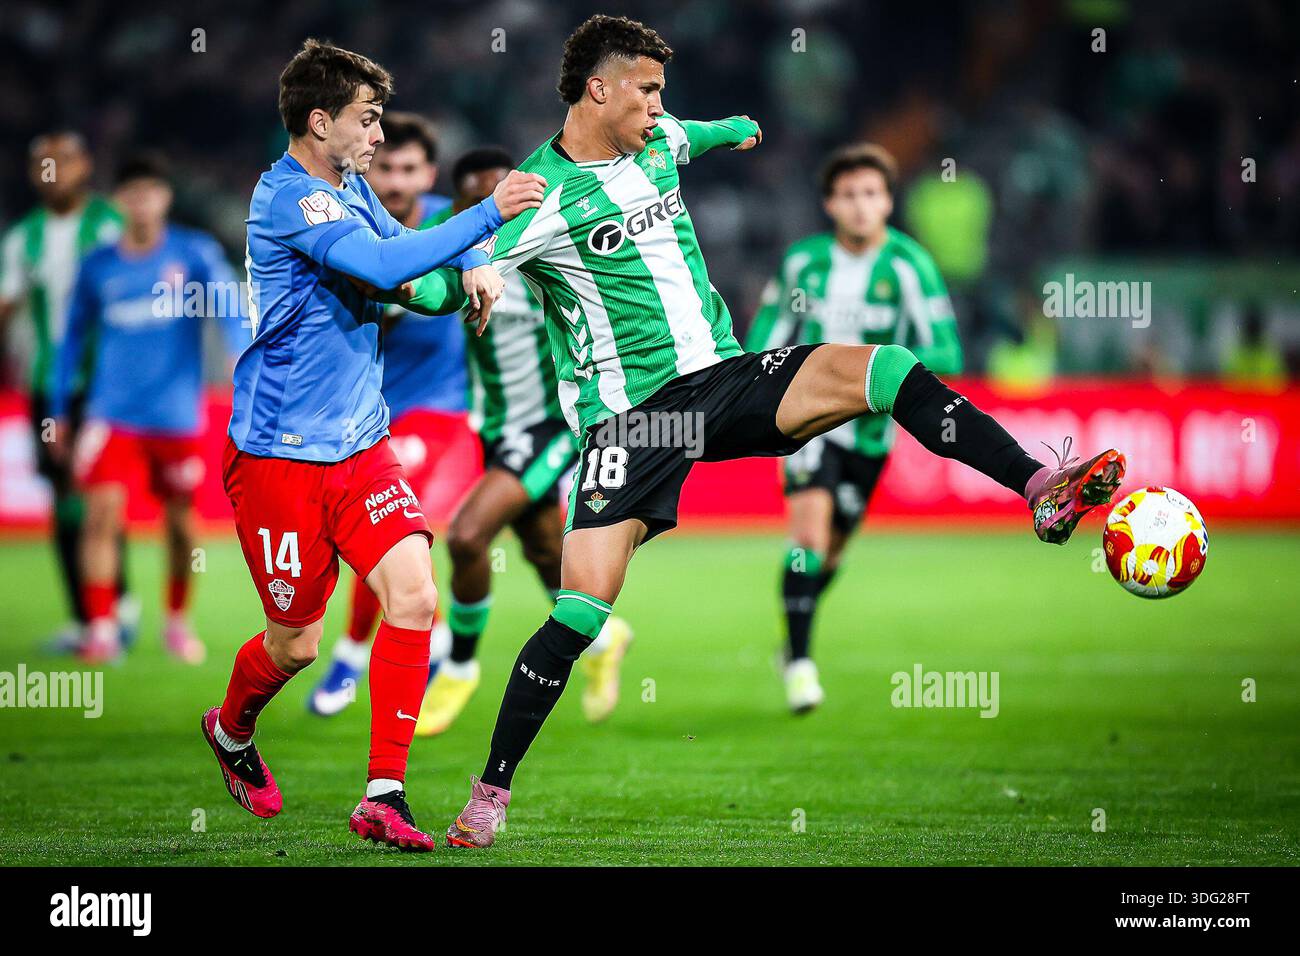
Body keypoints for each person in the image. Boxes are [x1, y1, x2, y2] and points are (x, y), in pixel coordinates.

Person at [391, 15, 1124, 849]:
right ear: (598, 90)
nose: (661, 107)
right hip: (632, 422)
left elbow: (691, 135)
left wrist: (734, 129)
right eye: (647, 90)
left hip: (726, 378)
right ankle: (490, 792)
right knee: (581, 614)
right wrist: (419, 287)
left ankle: (1040, 489)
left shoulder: (658, 137)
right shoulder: (538, 193)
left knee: (883, 370)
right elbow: (458, 282)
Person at [199, 38, 544, 851]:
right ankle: (231, 729)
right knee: (297, 644)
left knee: (416, 598)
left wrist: (473, 266)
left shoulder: (351, 190)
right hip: (279, 455)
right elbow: (390, 266)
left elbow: (414, 281)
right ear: (320, 122)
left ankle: (384, 794)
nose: (379, 136)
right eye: (367, 119)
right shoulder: (291, 200)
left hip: (360, 444)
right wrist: (490, 214)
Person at [417, 147, 632, 737]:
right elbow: (421, 284)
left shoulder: (554, 245)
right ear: (468, 207)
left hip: (552, 424)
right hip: (495, 427)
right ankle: (608, 637)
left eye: (510, 195)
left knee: (465, 535)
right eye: (486, 200)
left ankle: (458, 667)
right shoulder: (461, 250)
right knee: (542, 549)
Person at [745, 143, 964, 714]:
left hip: (870, 434)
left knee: (833, 552)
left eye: (871, 194)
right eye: (849, 195)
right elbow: (767, 332)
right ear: (830, 204)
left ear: (888, 202)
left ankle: (794, 630)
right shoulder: (804, 264)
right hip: (807, 423)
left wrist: (880, 366)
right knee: (808, 541)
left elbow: (948, 349)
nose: (861, 206)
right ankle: (799, 664)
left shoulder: (909, 265)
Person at [52, 152, 246, 664]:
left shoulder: (193, 252)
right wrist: (57, 410)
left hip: (176, 416)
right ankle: (100, 628)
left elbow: (228, 304)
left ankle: (177, 621)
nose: (141, 203)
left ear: (165, 198)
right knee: (101, 516)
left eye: (150, 192)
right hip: (110, 414)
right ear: (118, 202)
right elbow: (70, 342)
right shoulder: (99, 266)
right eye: (131, 194)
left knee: (182, 527)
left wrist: (238, 351)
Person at [307, 112, 465, 717]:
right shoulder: (348, 226)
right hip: (365, 414)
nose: (396, 180)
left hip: (436, 410)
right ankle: (440, 640)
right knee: (369, 535)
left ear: (428, 173)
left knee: (389, 523)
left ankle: (350, 654)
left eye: (409, 168)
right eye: (386, 166)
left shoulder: (454, 224)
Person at [0, 131, 136, 650]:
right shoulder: (21, 239)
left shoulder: (111, 224)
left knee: (102, 493)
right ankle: (88, 618)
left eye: (62, 161)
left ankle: (116, 607)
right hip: (47, 384)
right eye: (41, 163)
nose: (51, 171)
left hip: (107, 384)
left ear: (85, 166)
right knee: (64, 499)